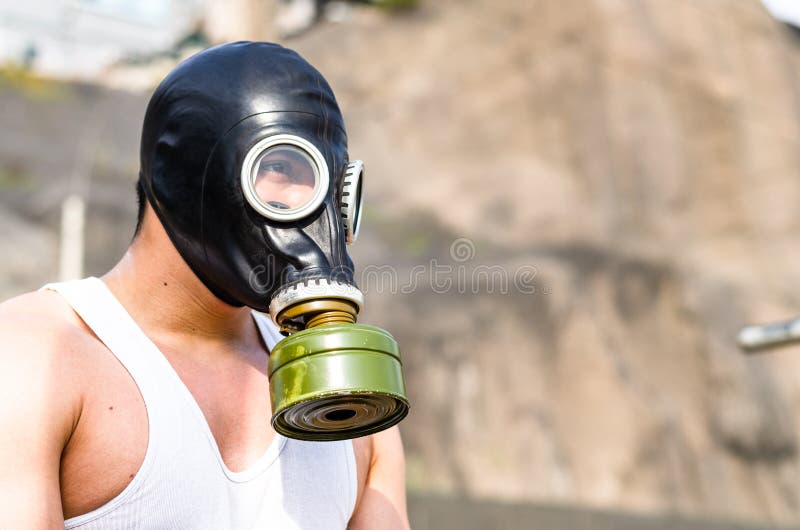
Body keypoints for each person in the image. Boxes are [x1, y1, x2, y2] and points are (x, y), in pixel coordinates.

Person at [0, 42, 410, 529]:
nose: (315, 210)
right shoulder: (32, 359)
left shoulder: (350, 407)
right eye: (279, 168)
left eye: (332, 183)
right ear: (179, 173)